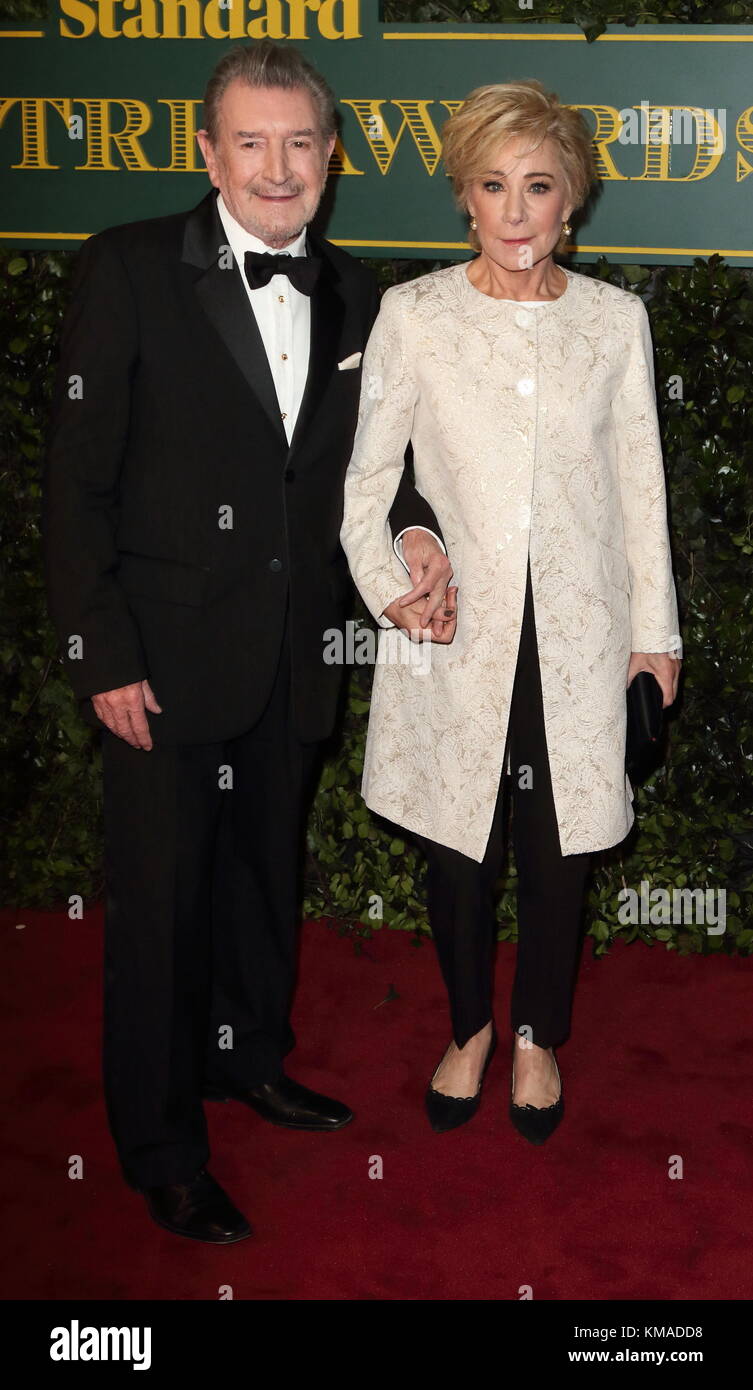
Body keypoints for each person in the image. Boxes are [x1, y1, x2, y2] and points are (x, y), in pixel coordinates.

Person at [42, 39, 452, 1242]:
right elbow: (76, 486)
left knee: (263, 882)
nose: (279, 168)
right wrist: (99, 647)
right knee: (162, 908)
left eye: (301, 144)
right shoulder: (127, 270)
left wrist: (420, 533)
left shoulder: (361, 295)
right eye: (252, 143)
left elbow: (386, 469)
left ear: (331, 157)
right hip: (160, 662)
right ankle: (162, 1144)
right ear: (210, 152)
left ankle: (248, 1059)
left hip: (296, 654)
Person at [340, 79, 682, 1145]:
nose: (518, 209)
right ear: (466, 201)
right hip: (457, 634)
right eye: (495, 186)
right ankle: (469, 1026)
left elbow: (642, 488)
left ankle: (536, 1033)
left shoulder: (614, 322)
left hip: (578, 641)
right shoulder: (416, 316)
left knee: (559, 848)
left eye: (539, 186)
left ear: (570, 198)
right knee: (459, 848)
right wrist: (401, 578)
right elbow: (365, 489)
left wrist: (655, 637)